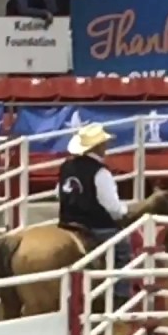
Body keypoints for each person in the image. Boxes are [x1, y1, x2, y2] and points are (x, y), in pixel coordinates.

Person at [57, 123, 132, 301]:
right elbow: (113, 207)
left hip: (67, 223)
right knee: (123, 250)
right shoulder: (100, 172)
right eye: (104, 143)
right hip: (95, 226)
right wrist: (124, 212)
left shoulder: (66, 166)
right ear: (98, 146)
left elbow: (58, 192)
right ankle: (119, 296)